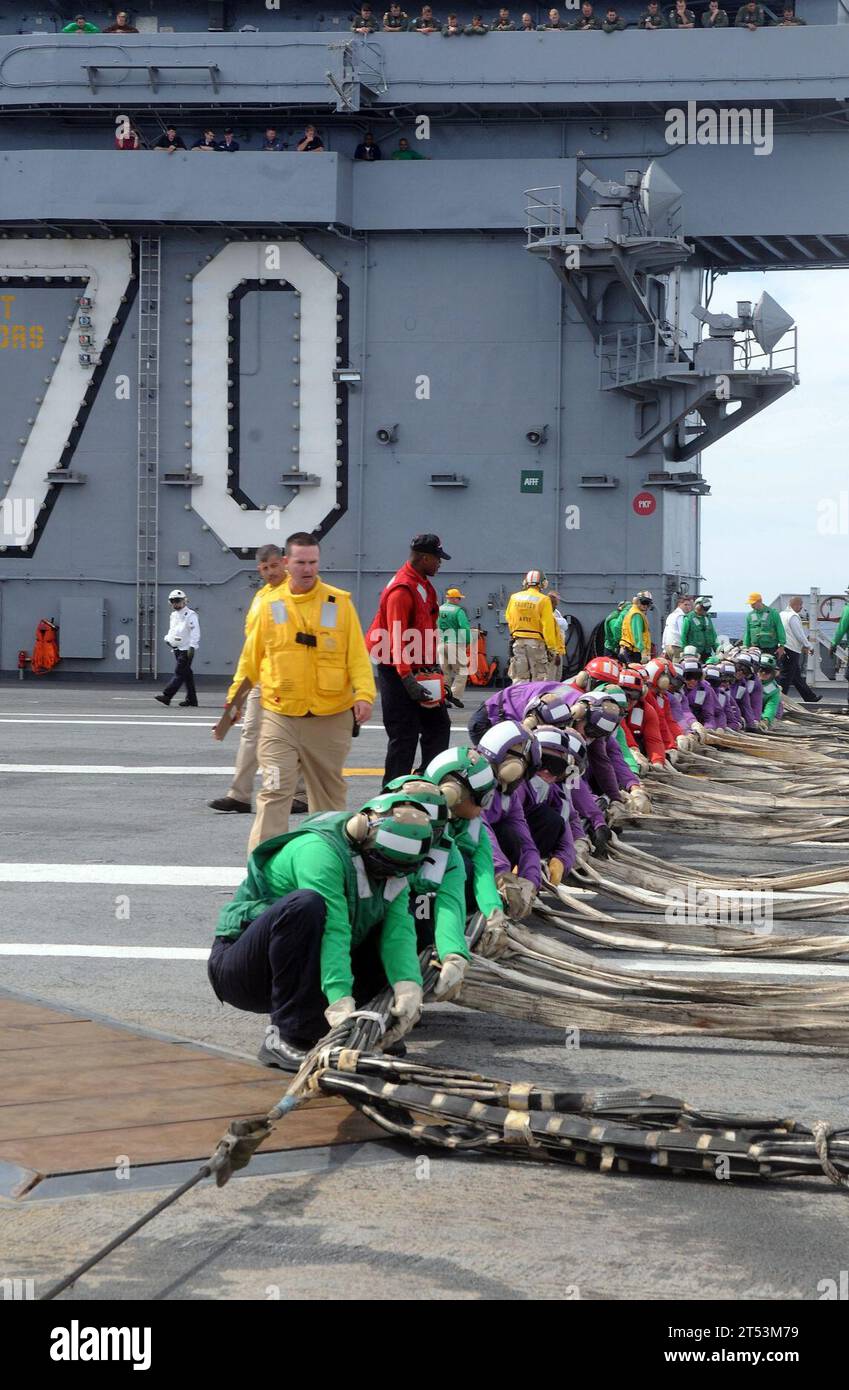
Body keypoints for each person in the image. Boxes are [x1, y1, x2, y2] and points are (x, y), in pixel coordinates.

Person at [210, 791, 436, 1071]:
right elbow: (334, 929)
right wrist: (341, 1002)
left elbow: (398, 933)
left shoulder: (395, 865)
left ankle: (370, 1023)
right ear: (362, 837)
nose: (389, 877)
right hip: (246, 970)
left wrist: (408, 986)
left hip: (304, 968)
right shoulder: (319, 852)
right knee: (306, 905)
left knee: (406, 913)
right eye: (383, 868)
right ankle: (285, 1036)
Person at [216, 532, 375, 852]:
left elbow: (356, 654)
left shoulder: (338, 603)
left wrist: (364, 694)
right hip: (279, 715)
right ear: (287, 563)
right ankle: (263, 868)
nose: (307, 569)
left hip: (330, 717)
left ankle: (327, 865)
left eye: (313, 562)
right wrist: (233, 704)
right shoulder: (269, 605)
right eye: (301, 562)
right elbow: (251, 659)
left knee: (329, 800)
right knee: (274, 790)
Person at [209, 545, 296, 816]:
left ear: (284, 562)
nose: (271, 572)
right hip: (261, 674)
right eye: (265, 568)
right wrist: (236, 695)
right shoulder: (261, 596)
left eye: (274, 566)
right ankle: (239, 794)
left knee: (295, 736)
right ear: (260, 569)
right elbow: (252, 646)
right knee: (251, 732)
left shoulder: (294, 593)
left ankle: (302, 793)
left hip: (290, 676)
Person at [367, 533, 453, 784]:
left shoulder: (422, 585)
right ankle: (392, 795)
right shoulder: (402, 590)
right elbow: (395, 638)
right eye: (437, 558)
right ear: (424, 558)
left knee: (438, 727)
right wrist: (407, 680)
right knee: (404, 735)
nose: (440, 563)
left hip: (417, 667)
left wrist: (433, 673)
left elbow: (424, 631)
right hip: (396, 669)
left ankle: (427, 782)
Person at [505, 570, 557, 682]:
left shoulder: (514, 598)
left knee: (519, 677)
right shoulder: (544, 600)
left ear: (526, 582)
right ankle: (535, 699)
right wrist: (551, 647)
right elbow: (548, 626)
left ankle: (519, 699)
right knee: (539, 677)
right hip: (536, 643)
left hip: (518, 642)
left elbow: (509, 618)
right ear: (542, 583)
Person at [155, 589, 200, 707]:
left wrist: (192, 647)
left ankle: (167, 696)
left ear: (184, 601)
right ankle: (192, 699)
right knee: (187, 675)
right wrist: (168, 639)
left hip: (186, 649)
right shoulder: (174, 615)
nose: (175, 603)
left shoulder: (190, 615)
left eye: (178, 601)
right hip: (177, 648)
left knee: (179, 672)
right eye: (173, 601)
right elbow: (173, 630)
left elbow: (195, 631)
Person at [779, 597, 819, 702]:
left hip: (783, 647)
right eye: (800, 605)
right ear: (796, 605)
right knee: (786, 677)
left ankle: (810, 697)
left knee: (796, 676)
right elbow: (799, 634)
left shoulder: (782, 614)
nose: (801, 607)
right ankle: (779, 700)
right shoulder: (793, 616)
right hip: (791, 649)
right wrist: (809, 645)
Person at [437, 586, 472, 706]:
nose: (459, 601)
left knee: (445, 672)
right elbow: (464, 628)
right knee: (462, 670)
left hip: (440, 644)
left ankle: (444, 698)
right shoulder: (458, 611)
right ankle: (455, 695)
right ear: (454, 599)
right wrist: (467, 641)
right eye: (459, 598)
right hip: (454, 644)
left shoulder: (439, 609)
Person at [743, 592, 785, 658]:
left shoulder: (773, 613)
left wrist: (782, 646)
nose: (752, 606)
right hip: (755, 649)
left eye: (753, 603)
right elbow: (748, 632)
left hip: (770, 648)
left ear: (760, 601)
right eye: (751, 604)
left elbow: (780, 629)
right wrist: (745, 646)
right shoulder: (750, 615)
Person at [618, 591, 654, 664]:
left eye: (648, 603)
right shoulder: (636, 615)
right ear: (638, 601)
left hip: (628, 650)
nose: (646, 605)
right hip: (632, 652)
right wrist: (643, 651)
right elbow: (637, 635)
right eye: (644, 602)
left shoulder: (633, 611)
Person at [680, 596, 718, 661]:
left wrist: (717, 649)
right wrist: (684, 651)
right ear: (697, 606)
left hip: (707, 652)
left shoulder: (707, 618)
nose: (704, 610)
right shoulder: (688, 618)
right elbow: (683, 636)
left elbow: (713, 635)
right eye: (702, 608)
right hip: (694, 654)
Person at [662, 593, 692, 660]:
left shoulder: (671, 615)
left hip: (668, 646)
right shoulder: (680, 616)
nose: (688, 607)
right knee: (679, 668)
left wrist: (664, 648)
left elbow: (665, 632)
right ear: (679, 604)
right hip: (677, 647)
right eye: (685, 605)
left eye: (689, 605)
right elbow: (683, 632)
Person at [548, 593, 568, 679]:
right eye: (554, 604)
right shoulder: (546, 615)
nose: (555, 607)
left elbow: (564, 627)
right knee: (550, 677)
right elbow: (550, 636)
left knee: (557, 677)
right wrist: (555, 654)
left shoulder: (556, 613)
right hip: (552, 652)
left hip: (558, 651)